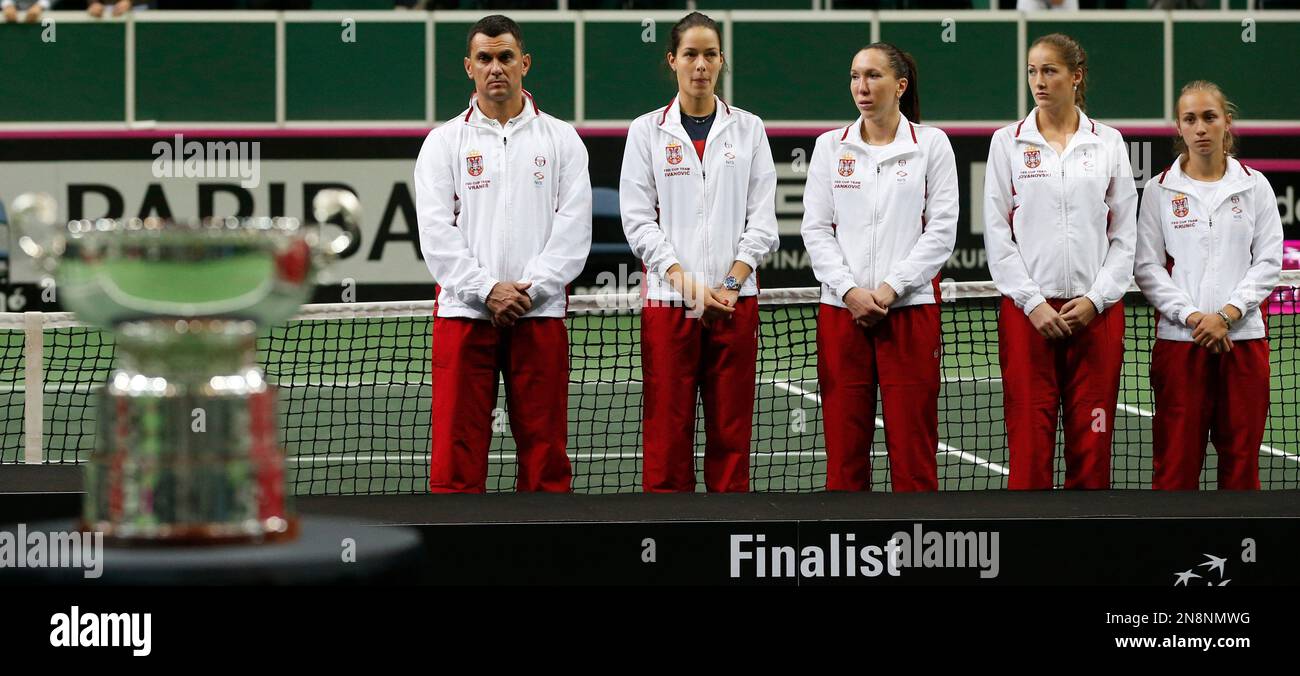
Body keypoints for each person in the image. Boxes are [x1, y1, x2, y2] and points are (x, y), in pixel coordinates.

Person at [415, 14, 592, 493]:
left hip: (540, 315)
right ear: (468, 66)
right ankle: (452, 559)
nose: (496, 68)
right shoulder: (443, 143)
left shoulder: (562, 140)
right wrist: (486, 289)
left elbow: (573, 231)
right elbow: (435, 232)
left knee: (545, 452)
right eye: (486, 58)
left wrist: (528, 291)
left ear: (525, 64)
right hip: (464, 315)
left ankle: (541, 555)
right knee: (456, 453)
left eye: (506, 57)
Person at [619, 11, 778, 493]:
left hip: (735, 302)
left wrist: (729, 283)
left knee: (732, 434)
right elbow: (639, 221)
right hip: (670, 306)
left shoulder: (749, 129)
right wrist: (685, 283)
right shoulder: (645, 131)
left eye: (710, 54)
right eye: (690, 54)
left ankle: (728, 538)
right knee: (667, 435)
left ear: (722, 61)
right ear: (673, 61)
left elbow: (763, 220)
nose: (701, 64)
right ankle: (667, 543)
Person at [800, 43, 958, 492]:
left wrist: (890, 289)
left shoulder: (932, 145)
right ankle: (847, 550)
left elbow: (941, 233)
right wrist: (850, 292)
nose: (861, 87)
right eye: (854, 76)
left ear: (900, 86)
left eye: (873, 76)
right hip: (840, 313)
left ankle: (918, 550)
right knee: (845, 452)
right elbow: (816, 229)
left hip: (909, 312)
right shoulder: (830, 147)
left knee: (914, 451)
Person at [983, 33, 1137, 490]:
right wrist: (1031, 302)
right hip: (1029, 316)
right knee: (1029, 448)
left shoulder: (1108, 142)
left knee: (1092, 447)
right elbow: (997, 232)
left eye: (1049, 70)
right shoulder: (1005, 143)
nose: (1039, 81)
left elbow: (1124, 235)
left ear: (1077, 75)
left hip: (1097, 316)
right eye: (1032, 70)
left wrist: (1097, 298)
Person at [1134, 81, 1283, 490]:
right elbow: (1147, 267)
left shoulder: (1255, 187)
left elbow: (1268, 262)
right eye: (1190, 119)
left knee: (1241, 467)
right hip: (1181, 344)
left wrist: (1229, 315)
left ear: (1226, 123)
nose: (1200, 127)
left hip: (1244, 342)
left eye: (1209, 117)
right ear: (1178, 128)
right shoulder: (1159, 191)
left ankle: (1239, 553)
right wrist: (1195, 317)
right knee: (1175, 468)